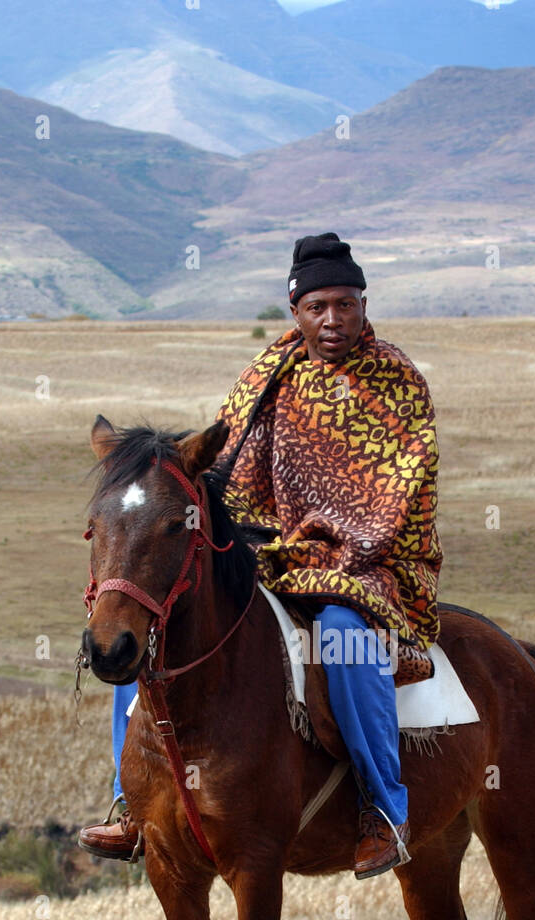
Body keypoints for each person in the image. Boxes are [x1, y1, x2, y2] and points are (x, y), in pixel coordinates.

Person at [79, 232, 442, 878]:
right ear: (295, 310)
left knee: (343, 638)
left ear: (363, 305)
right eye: (317, 307)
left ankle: (384, 811)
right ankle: (131, 802)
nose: (332, 319)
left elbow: (399, 491)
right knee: (149, 637)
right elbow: (227, 468)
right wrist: (253, 536)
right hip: (274, 556)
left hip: (365, 565)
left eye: (346, 304)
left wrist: (332, 547)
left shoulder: (396, 381)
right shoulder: (268, 376)